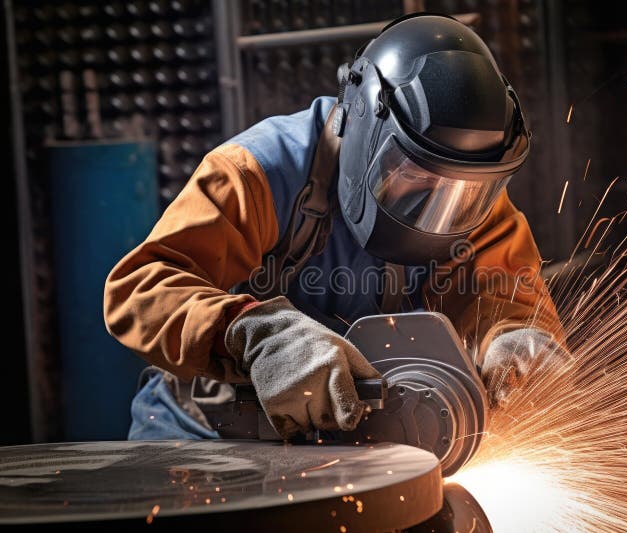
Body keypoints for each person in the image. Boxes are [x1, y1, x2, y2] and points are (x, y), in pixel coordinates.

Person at [103, 13, 568, 440]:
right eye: (416, 176)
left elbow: (507, 300)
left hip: (350, 440)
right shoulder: (255, 172)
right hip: (205, 435)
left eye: (461, 189)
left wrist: (516, 340)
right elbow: (140, 290)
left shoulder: (472, 202)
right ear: (365, 131)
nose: (439, 206)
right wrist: (255, 334)